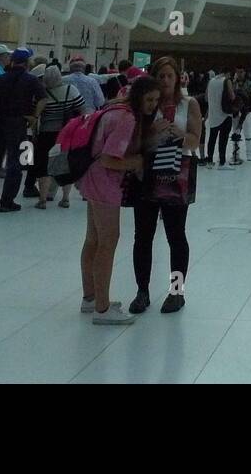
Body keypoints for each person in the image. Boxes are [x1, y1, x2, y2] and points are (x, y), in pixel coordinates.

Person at [79, 76, 155, 326]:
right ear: (139, 97)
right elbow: (110, 159)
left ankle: (91, 298)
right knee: (108, 242)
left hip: (89, 177)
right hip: (105, 183)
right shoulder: (128, 118)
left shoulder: (114, 107)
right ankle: (102, 309)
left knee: (93, 240)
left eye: (156, 100)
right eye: (150, 99)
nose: (153, 105)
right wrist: (137, 162)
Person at [129, 57, 203, 315]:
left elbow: (195, 140)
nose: (166, 81)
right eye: (161, 76)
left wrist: (178, 135)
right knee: (143, 235)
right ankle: (142, 290)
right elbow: (135, 141)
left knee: (176, 235)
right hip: (149, 174)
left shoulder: (189, 104)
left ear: (178, 77)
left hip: (177, 174)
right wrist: (152, 134)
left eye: (170, 76)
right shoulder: (148, 103)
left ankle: (176, 292)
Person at [0, 49, 45, 212]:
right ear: (27, 63)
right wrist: (34, 117)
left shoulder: (0, 78)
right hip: (19, 124)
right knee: (16, 162)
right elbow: (43, 99)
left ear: (12, 61)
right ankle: (7, 201)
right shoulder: (32, 80)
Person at [34, 65, 84, 209]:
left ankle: (42, 199)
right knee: (65, 165)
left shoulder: (42, 94)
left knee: (44, 166)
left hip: (46, 133)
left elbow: (36, 112)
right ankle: (65, 198)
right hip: (66, 133)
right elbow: (82, 110)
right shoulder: (71, 90)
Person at [204, 69, 234, 169]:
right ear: (228, 73)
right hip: (225, 114)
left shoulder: (211, 81)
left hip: (213, 114)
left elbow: (206, 98)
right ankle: (222, 162)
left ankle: (209, 161)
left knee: (212, 138)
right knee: (223, 139)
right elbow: (232, 96)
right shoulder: (226, 81)